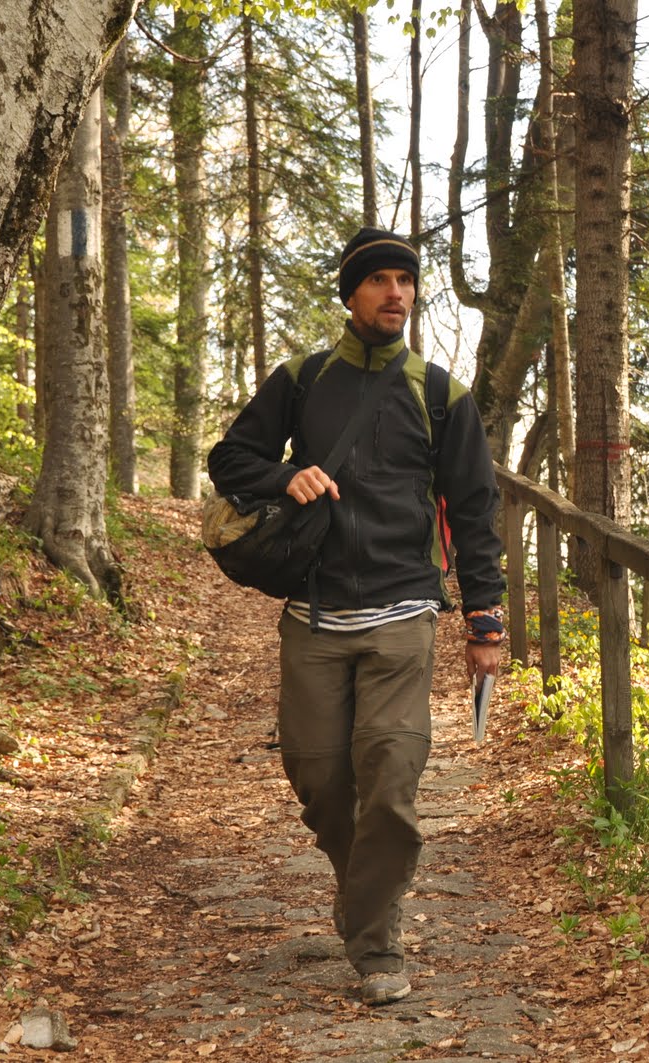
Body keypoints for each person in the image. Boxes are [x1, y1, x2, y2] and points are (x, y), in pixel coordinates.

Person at [206, 227, 506, 1006]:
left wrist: (485, 620)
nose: (395, 293)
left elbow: (475, 508)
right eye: (377, 281)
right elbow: (229, 459)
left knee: (393, 777)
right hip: (313, 615)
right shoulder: (303, 380)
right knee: (319, 779)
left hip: (404, 613)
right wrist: (288, 474)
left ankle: (376, 939)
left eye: (405, 280)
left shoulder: (441, 392)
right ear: (350, 294)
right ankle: (363, 892)